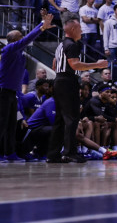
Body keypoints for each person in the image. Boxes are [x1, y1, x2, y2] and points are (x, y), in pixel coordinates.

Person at [47, 11, 109, 163]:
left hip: (59, 80)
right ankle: (70, 152)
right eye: (80, 28)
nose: (81, 31)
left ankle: (53, 154)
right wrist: (97, 64)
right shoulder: (72, 45)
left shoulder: (61, 45)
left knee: (60, 119)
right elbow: (74, 64)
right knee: (72, 118)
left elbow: (54, 64)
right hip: (67, 81)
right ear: (73, 29)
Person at [0, 10, 52, 161]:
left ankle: (10, 154)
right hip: (2, 92)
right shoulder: (8, 49)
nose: (23, 39)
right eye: (20, 37)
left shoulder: (21, 56)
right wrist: (41, 26)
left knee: (12, 124)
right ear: (14, 40)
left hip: (12, 94)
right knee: (2, 124)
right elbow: (27, 39)